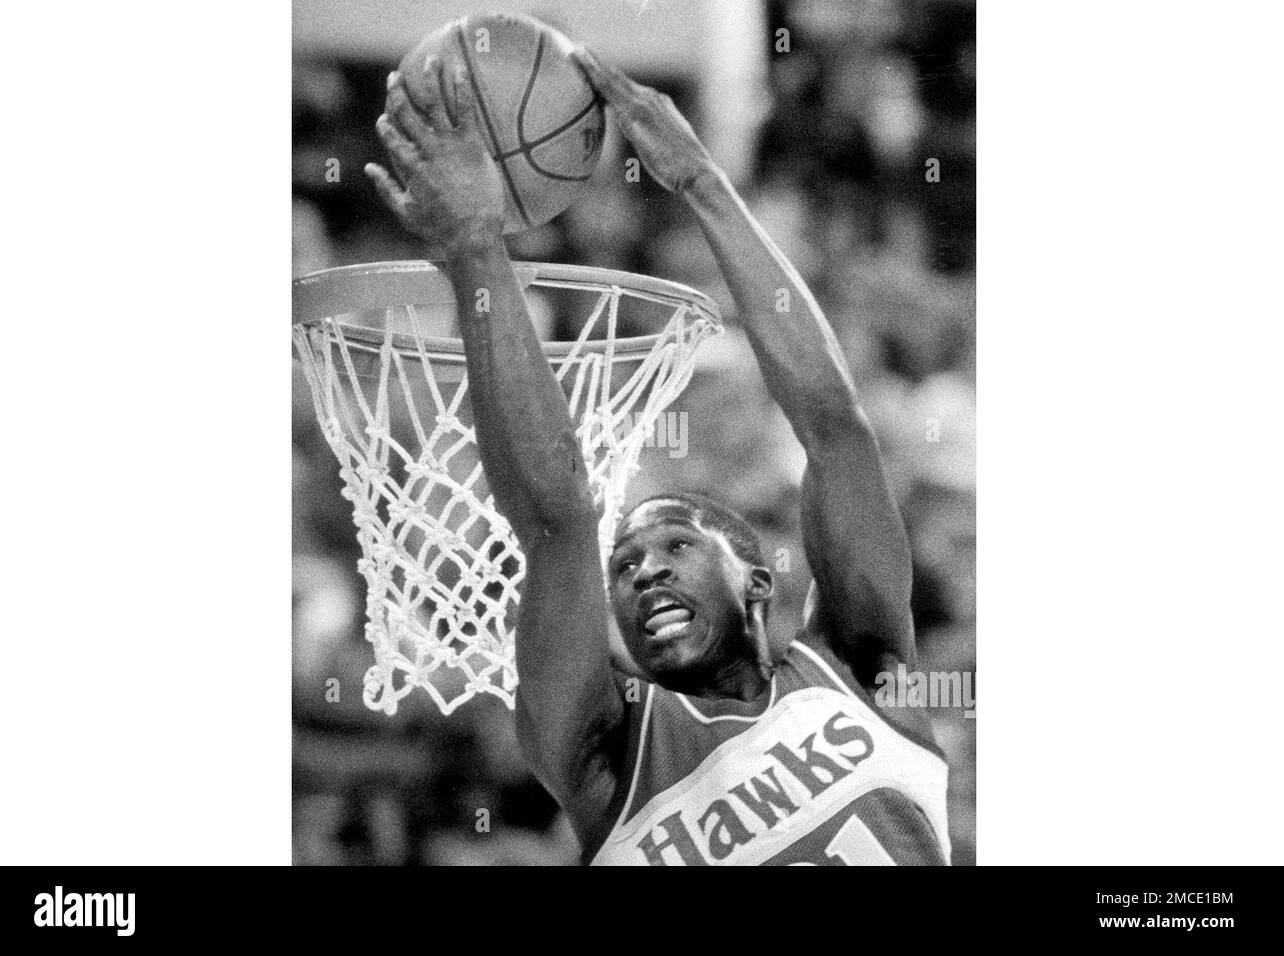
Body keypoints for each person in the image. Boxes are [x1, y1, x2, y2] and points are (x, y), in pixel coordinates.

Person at [363, 47, 949, 866]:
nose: (642, 573)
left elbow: (834, 427)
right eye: (626, 568)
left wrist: (702, 182)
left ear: (757, 579)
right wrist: (473, 249)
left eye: (676, 546)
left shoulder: (859, 665)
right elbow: (559, 517)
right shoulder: (606, 764)